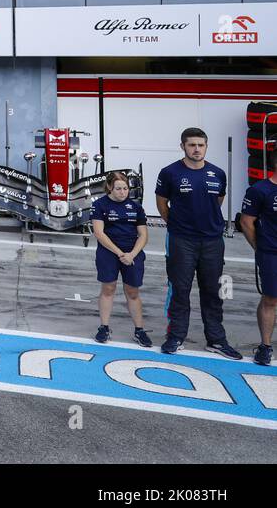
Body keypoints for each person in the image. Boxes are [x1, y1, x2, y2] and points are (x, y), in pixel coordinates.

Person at [155, 128, 240, 358]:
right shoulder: (170, 172)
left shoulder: (218, 173)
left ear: (206, 146)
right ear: (182, 146)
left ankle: (216, 340)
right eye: (191, 145)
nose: (196, 149)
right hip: (181, 240)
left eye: (200, 145)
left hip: (212, 241)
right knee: (180, 290)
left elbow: (217, 201)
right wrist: (177, 225)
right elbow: (162, 204)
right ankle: (175, 336)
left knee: (213, 291)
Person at [91, 171, 153, 346]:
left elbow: (143, 235)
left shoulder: (136, 207)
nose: (122, 192)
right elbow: (99, 233)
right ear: (110, 188)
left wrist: (132, 254)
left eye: (125, 188)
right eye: (118, 188)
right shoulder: (100, 205)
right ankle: (104, 327)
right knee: (108, 288)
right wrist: (119, 253)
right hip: (109, 252)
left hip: (132, 253)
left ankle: (139, 330)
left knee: (132, 291)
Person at [239, 152, 277, 366]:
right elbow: (246, 222)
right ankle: (265, 346)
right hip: (271, 253)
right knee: (271, 299)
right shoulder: (259, 190)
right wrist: (260, 249)